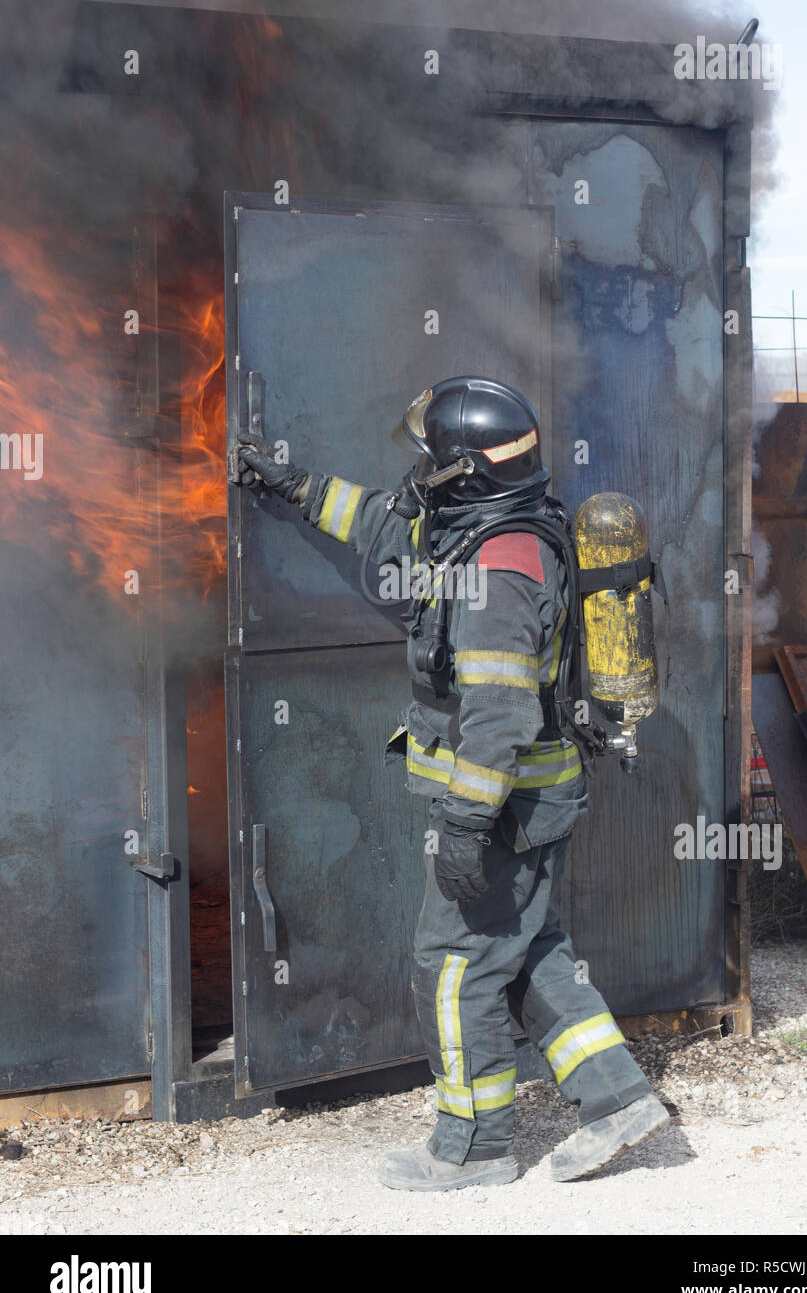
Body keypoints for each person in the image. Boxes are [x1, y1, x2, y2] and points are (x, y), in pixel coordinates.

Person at [235, 375, 669, 1191]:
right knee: (529, 950)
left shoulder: (501, 572)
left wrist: (468, 825)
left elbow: (500, 718)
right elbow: (376, 523)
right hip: (526, 805)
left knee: (454, 965)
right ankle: (618, 1100)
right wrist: (292, 485)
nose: (421, 470)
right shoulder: (478, 526)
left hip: (509, 809)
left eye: (433, 458)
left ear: (463, 468)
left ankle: (472, 1149)